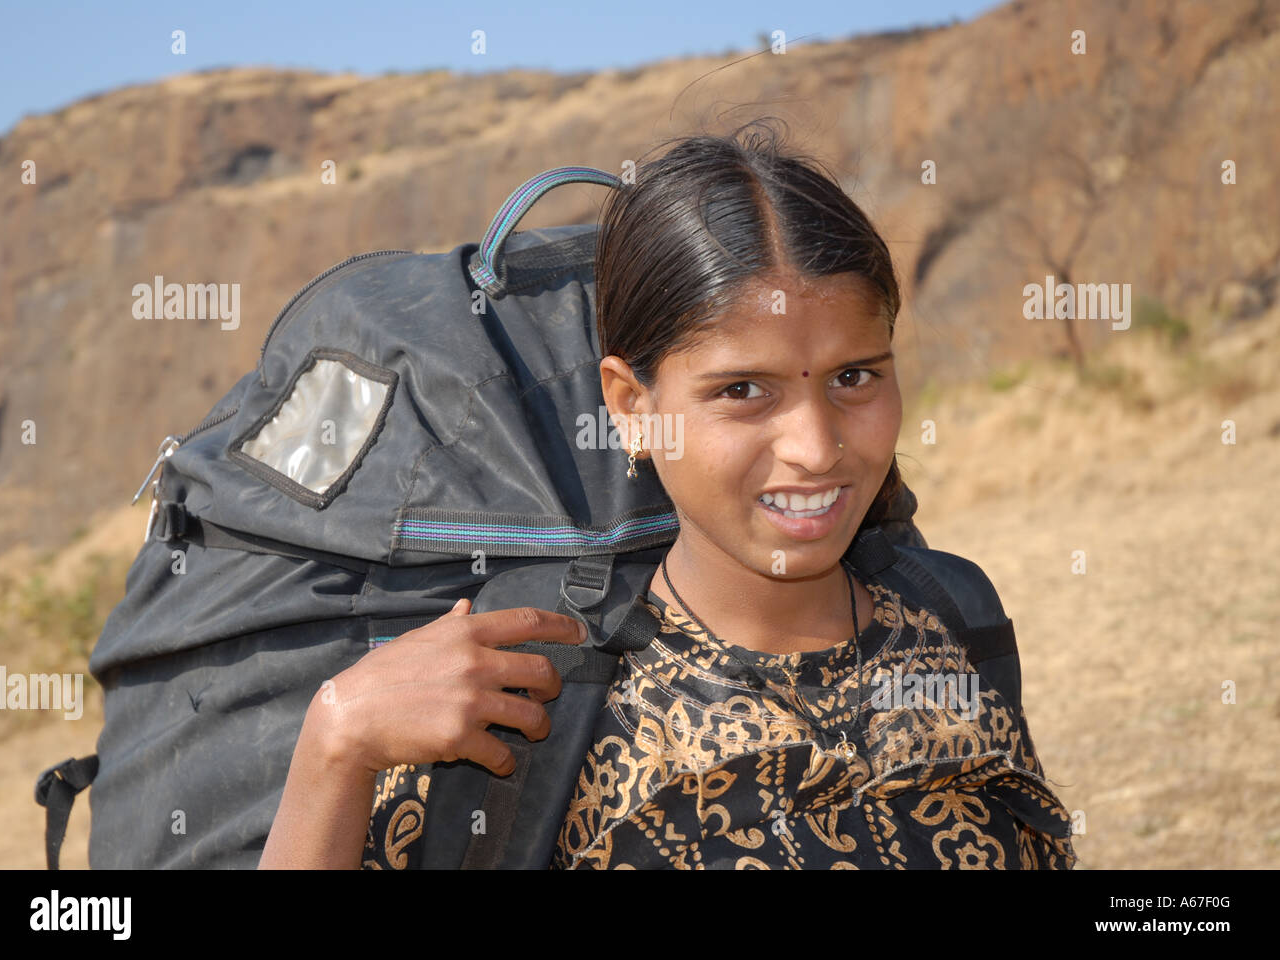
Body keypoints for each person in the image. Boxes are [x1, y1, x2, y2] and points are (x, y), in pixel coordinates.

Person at [261, 119, 1077, 870]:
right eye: (743, 391)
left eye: (854, 377)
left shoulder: (950, 621)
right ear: (633, 407)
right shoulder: (527, 700)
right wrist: (334, 748)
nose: (817, 447)